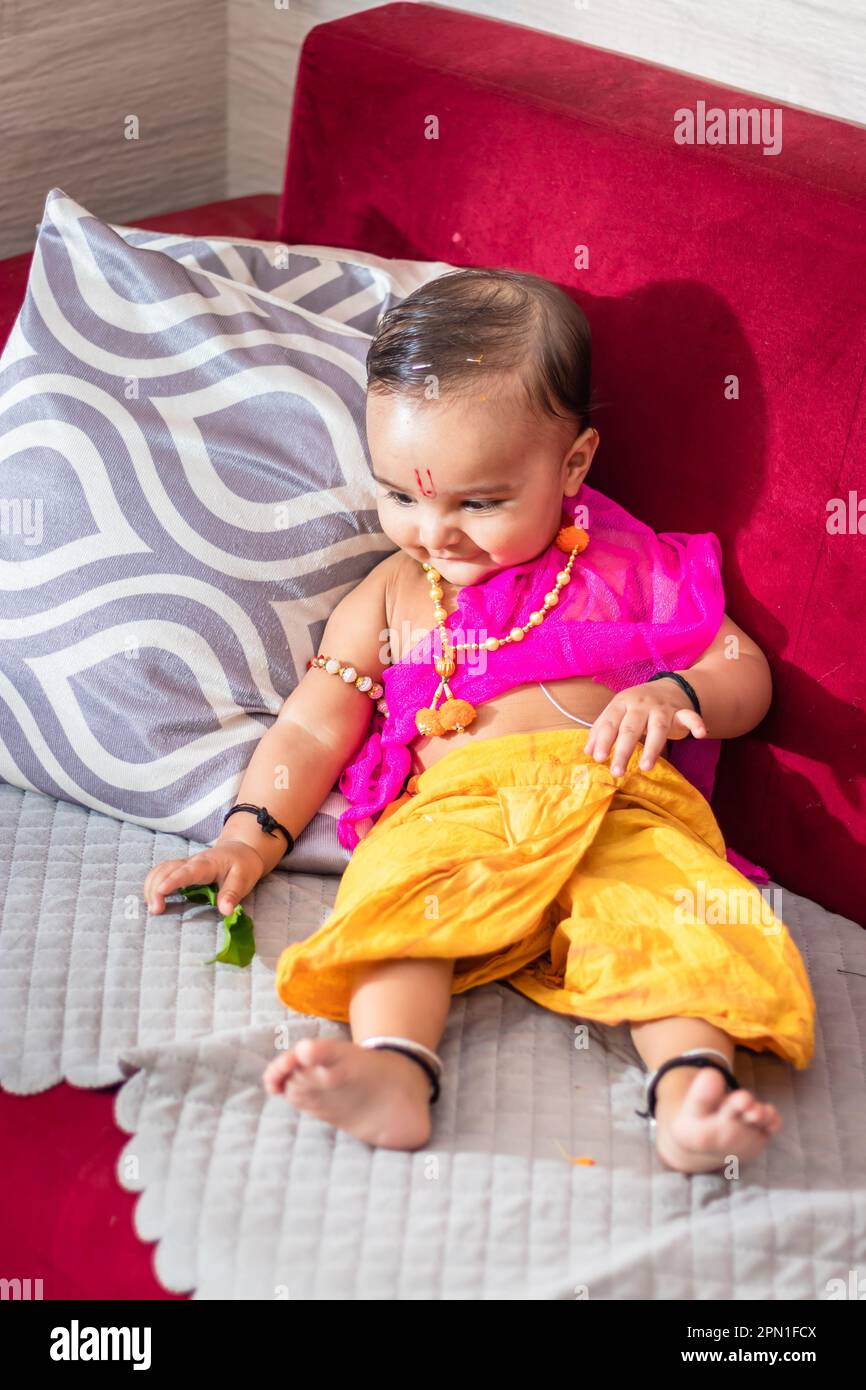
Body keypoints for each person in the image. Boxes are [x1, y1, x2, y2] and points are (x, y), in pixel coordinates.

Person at [143, 268, 815, 1174]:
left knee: (670, 915)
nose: (435, 532)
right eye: (403, 495)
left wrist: (675, 696)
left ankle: (690, 1084)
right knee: (396, 905)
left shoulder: (625, 564)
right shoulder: (390, 593)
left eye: (479, 501)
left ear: (573, 464)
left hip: (612, 801)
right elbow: (312, 727)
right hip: (451, 816)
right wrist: (247, 838)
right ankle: (394, 1070)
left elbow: (744, 669)